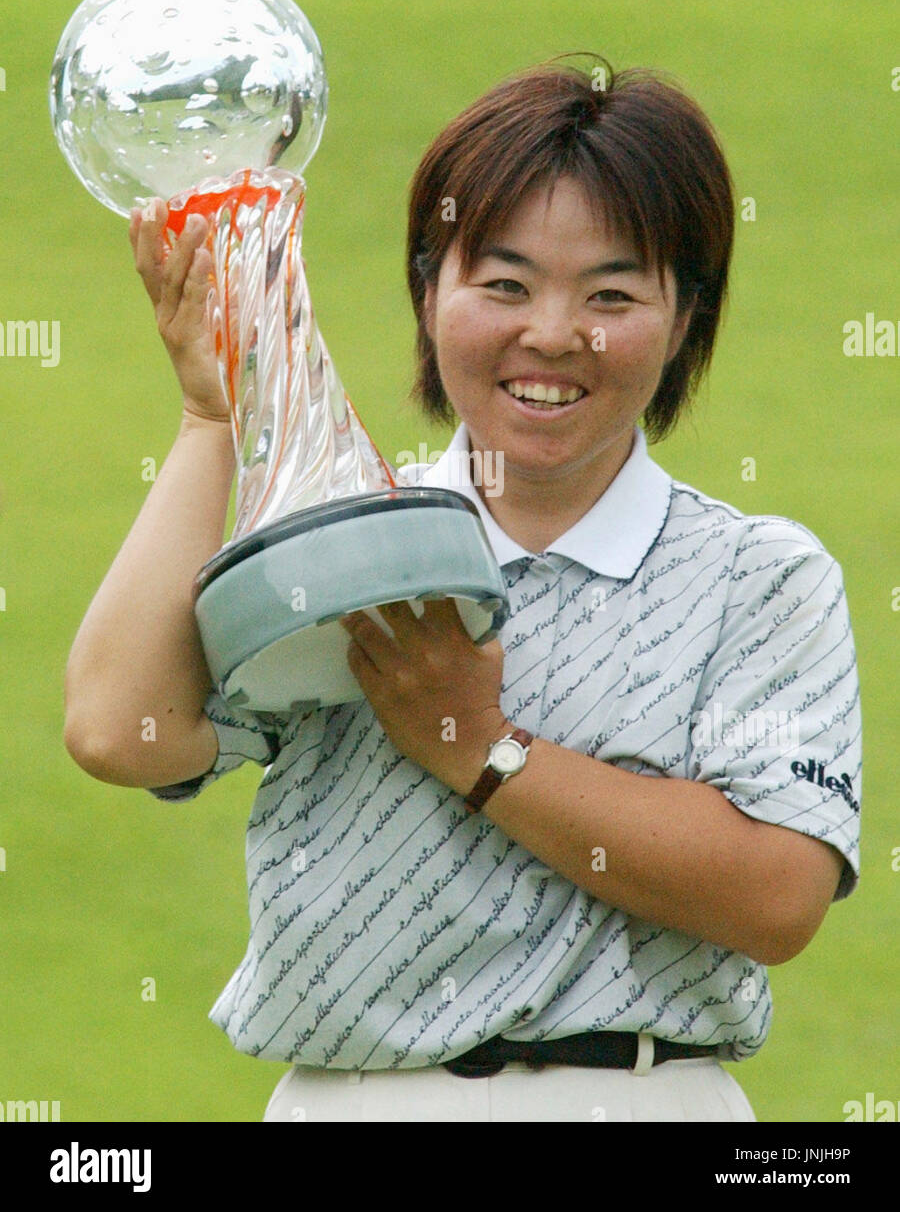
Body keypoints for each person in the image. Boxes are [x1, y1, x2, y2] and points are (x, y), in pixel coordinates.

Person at [63, 55, 861, 1123]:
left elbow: (776, 896)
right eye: (504, 284)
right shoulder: (341, 548)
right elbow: (124, 730)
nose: (550, 334)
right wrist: (214, 418)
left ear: (686, 321)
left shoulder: (759, 574)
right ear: (428, 292)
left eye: (613, 294)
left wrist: (479, 744)